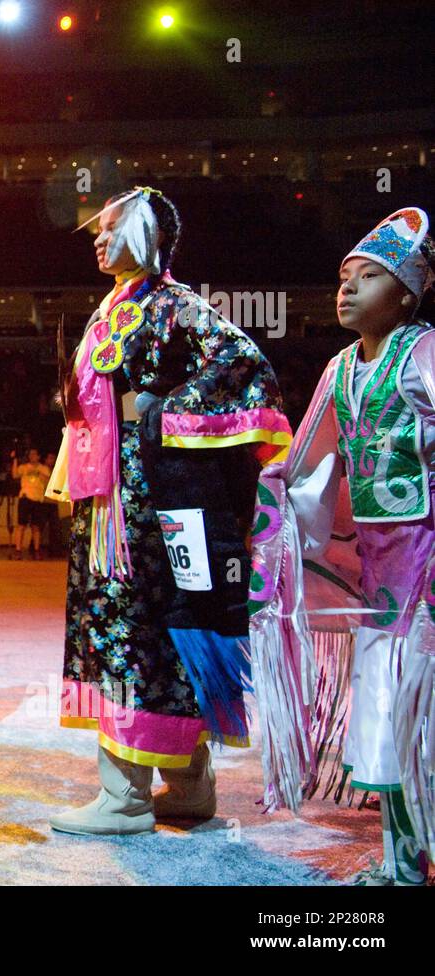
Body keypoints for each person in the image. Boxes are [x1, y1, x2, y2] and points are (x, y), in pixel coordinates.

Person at [47, 187, 290, 835]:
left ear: (151, 236)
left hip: (151, 500)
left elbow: (246, 364)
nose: (97, 237)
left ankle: (125, 797)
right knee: (146, 625)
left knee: (143, 625)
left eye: (111, 226)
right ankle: (188, 786)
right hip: (114, 496)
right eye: (96, 229)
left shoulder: (176, 305)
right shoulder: (114, 307)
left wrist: (164, 413)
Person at [249, 207, 435, 884]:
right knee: (388, 715)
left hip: (429, 573)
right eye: (343, 277)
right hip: (384, 584)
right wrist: (271, 497)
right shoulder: (342, 370)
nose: (348, 288)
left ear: (410, 293)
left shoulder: (425, 354)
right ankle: (402, 861)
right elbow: (305, 463)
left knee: (422, 716)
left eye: (369, 276)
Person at [10, 447, 51, 559]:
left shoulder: (44, 468)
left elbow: (48, 481)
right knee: (21, 525)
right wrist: (15, 460)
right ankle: (18, 550)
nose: (32, 456)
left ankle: (37, 550)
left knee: (36, 527)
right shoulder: (24, 467)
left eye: (34, 454)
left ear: (38, 456)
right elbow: (15, 475)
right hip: (25, 497)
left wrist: (39, 474)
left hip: (38, 499)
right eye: (30, 454)